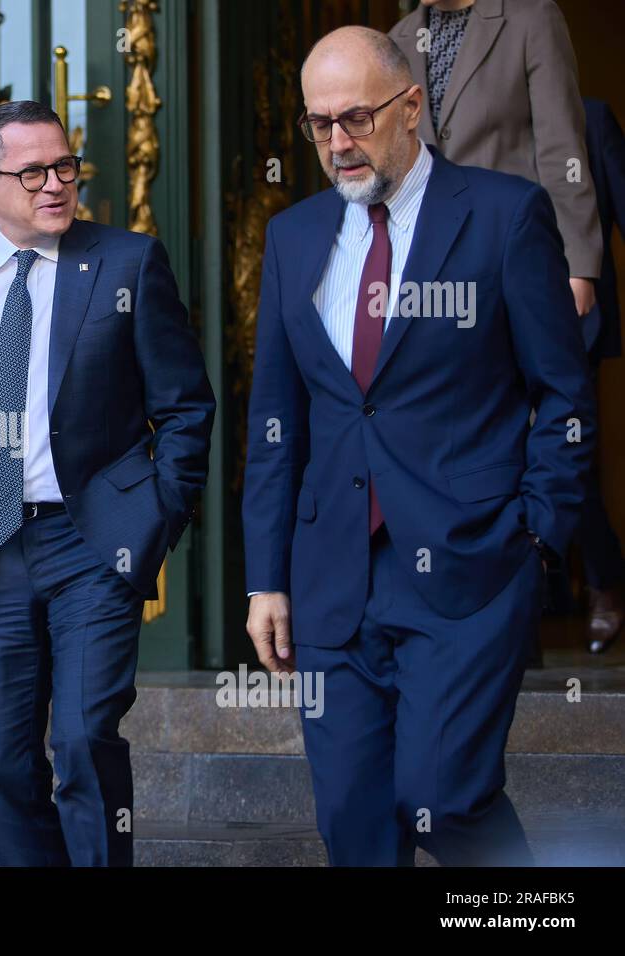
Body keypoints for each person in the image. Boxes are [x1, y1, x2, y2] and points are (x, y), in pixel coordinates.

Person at [243, 28, 594, 865]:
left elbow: (565, 393)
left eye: (356, 118)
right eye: (319, 124)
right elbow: (274, 422)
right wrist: (266, 579)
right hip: (331, 577)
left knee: (446, 800)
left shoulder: (504, 217)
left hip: (468, 566)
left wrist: (536, 532)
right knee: (355, 828)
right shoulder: (294, 239)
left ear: (412, 108)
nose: (337, 142)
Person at [0, 101, 215, 866]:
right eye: (30, 172)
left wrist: (156, 517)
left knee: (83, 738)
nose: (54, 185)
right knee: (1, 762)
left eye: (64, 166)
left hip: (94, 544)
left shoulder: (129, 264)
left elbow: (186, 407)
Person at [389, 0, 601, 319]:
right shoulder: (396, 40)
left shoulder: (533, 18)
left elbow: (562, 149)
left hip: (515, 250)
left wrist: (578, 266)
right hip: (429, 265)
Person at [579, 96, 625, 654]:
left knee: (569, 457)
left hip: (574, 320)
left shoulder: (592, 119)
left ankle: (602, 585)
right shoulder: (473, 114)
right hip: (484, 316)